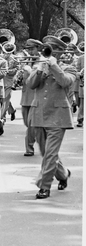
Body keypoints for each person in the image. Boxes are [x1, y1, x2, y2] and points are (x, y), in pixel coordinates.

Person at [27, 35, 77, 199]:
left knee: (50, 153)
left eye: (52, 48)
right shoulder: (39, 65)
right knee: (46, 152)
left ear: (61, 51)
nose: (48, 52)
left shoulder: (70, 67)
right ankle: (63, 174)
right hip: (39, 113)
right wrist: (41, 69)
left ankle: (44, 186)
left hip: (58, 116)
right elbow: (31, 84)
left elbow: (65, 82)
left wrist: (54, 66)